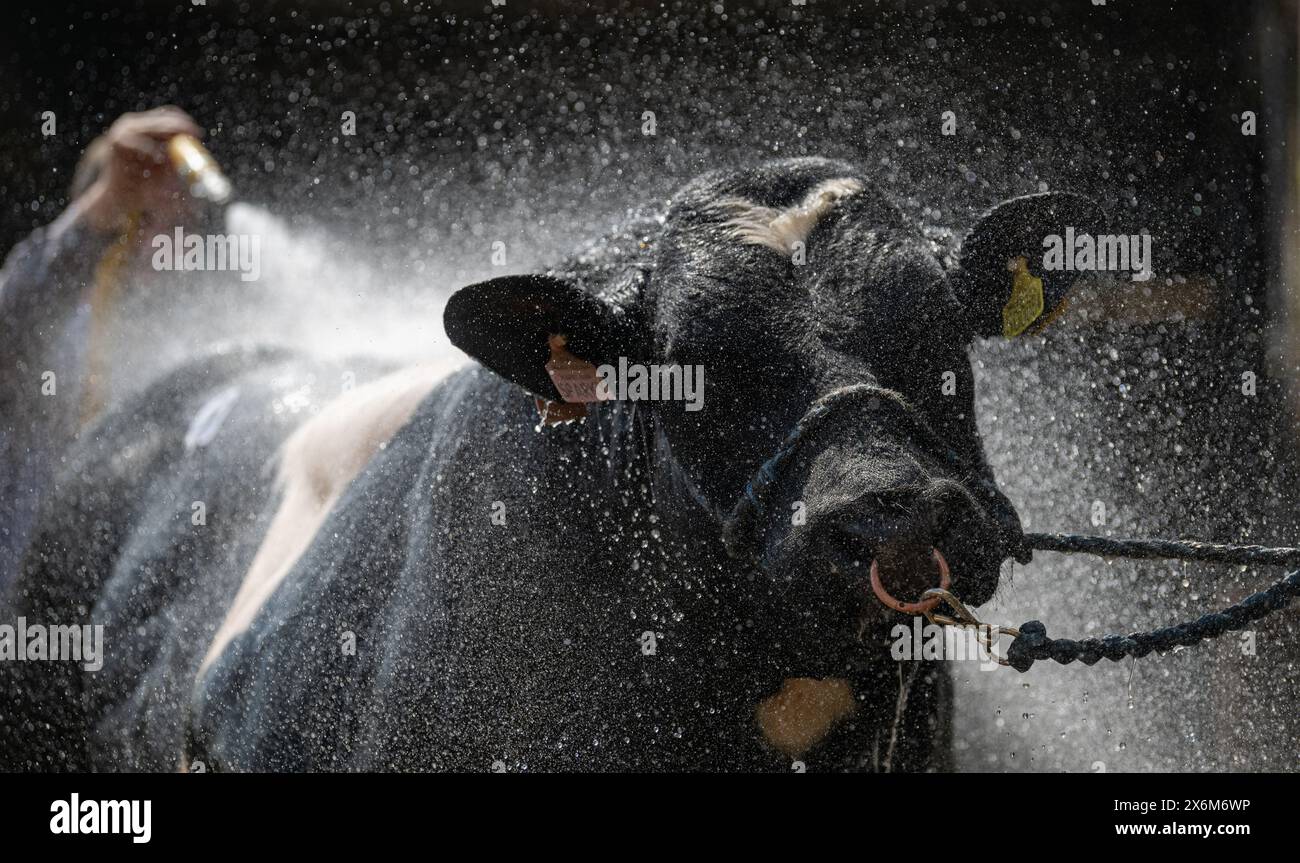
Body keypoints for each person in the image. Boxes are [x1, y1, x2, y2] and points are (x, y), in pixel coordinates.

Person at [0, 106, 207, 591]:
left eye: (186, 221)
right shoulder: (52, 329)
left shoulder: (195, 347)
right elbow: (12, 324)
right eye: (149, 217)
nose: (173, 241)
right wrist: (102, 212)